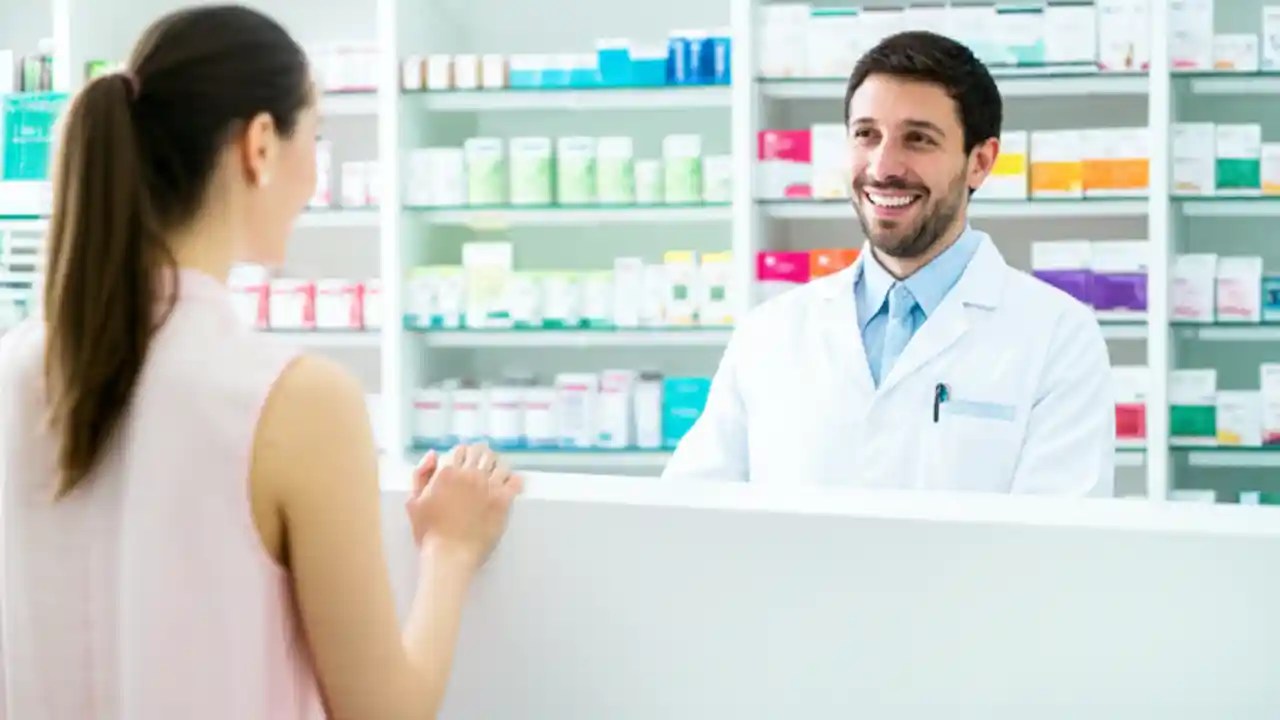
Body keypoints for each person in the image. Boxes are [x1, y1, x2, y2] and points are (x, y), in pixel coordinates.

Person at [0, 6, 521, 719]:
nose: (316, 175)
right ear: (261, 145)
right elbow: (384, 712)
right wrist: (451, 550)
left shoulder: (16, 366)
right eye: (318, 136)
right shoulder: (294, 400)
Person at [663, 31, 1115, 496]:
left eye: (918, 139)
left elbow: (1056, 547)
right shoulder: (769, 333)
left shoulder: (1059, 337)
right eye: (866, 135)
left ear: (980, 161)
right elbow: (691, 513)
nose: (883, 167)